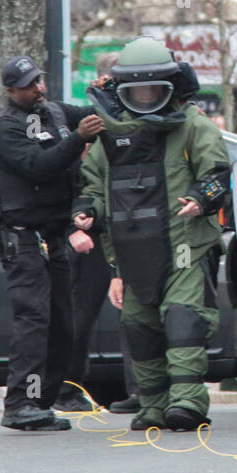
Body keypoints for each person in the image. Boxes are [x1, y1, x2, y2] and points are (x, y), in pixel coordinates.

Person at [72, 38, 230, 432]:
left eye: (153, 90)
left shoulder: (192, 124)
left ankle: (187, 402)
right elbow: (93, 185)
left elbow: (218, 175)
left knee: (183, 319)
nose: (146, 98)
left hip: (182, 242)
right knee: (139, 329)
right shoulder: (109, 135)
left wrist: (201, 199)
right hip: (131, 247)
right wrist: (86, 211)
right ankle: (154, 405)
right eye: (136, 91)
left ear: (170, 88)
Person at [0, 54, 104, 431]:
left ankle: (46, 398)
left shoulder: (52, 111)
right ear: (10, 91)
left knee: (61, 322)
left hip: (54, 236)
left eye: (39, 81)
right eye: (28, 85)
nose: (38, 89)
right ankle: (20, 403)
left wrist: (108, 91)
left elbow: (89, 112)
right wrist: (79, 140)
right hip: (22, 238)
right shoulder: (5, 129)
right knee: (33, 321)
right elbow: (39, 166)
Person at [59, 50, 142, 414]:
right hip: (93, 230)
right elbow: (71, 178)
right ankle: (67, 387)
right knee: (81, 312)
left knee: (136, 311)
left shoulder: (141, 119)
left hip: (130, 227)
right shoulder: (86, 121)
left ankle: (142, 389)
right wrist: (75, 222)